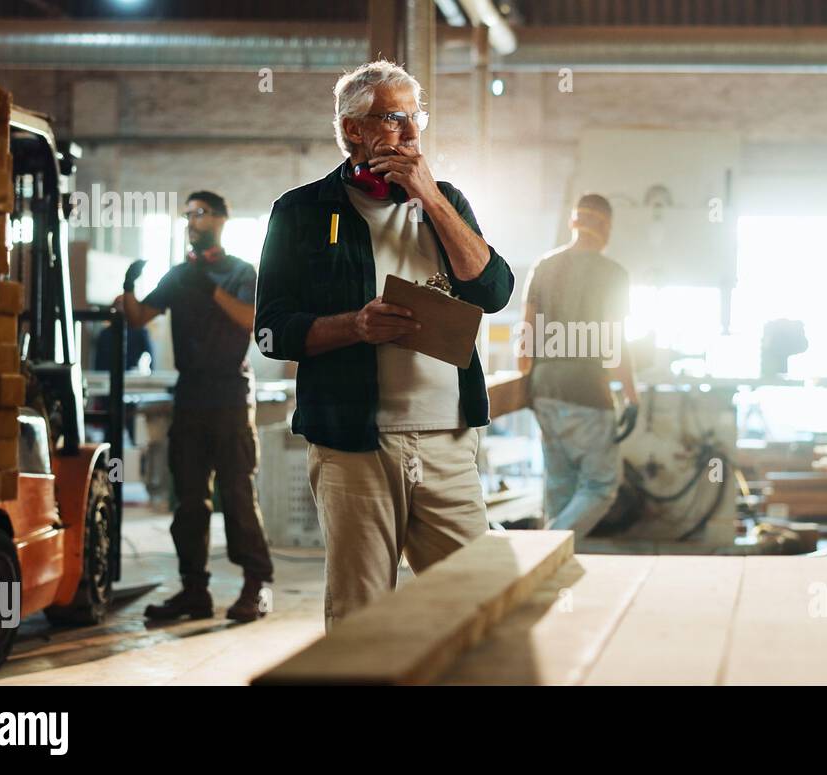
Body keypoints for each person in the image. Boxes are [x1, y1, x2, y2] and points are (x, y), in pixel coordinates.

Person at [253, 60, 514, 631]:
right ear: (353, 130)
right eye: (393, 119)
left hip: (448, 440)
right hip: (354, 448)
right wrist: (355, 327)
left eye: (415, 117)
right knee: (362, 615)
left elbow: (494, 291)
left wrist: (432, 199)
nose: (411, 132)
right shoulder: (299, 212)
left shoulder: (446, 201)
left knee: (481, 602)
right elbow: (271, 330)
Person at [115, 190, 275, 623]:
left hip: (229, 397)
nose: (193, 221)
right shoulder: (179, 275)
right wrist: (129, 286)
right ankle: (193, 592)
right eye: (187, 215)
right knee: (188, 502)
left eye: (201, 213)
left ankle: (255, 586)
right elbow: (138, 317)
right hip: (190, 396)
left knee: (238, 496)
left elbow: (251, 320)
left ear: (222, 219)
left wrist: (211, 289)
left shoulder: (241, 272)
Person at [519, 194, 638, 538]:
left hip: (544, 390)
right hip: (588, 392)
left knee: (560, 488)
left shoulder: (544, 265)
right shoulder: (613, 273)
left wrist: (528, 384)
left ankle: (551, 578)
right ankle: (546, 548)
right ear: (606, 227)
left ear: (573, 221)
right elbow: (615, 343)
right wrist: (631, 396)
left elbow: (526, 332)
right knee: (601, 486)